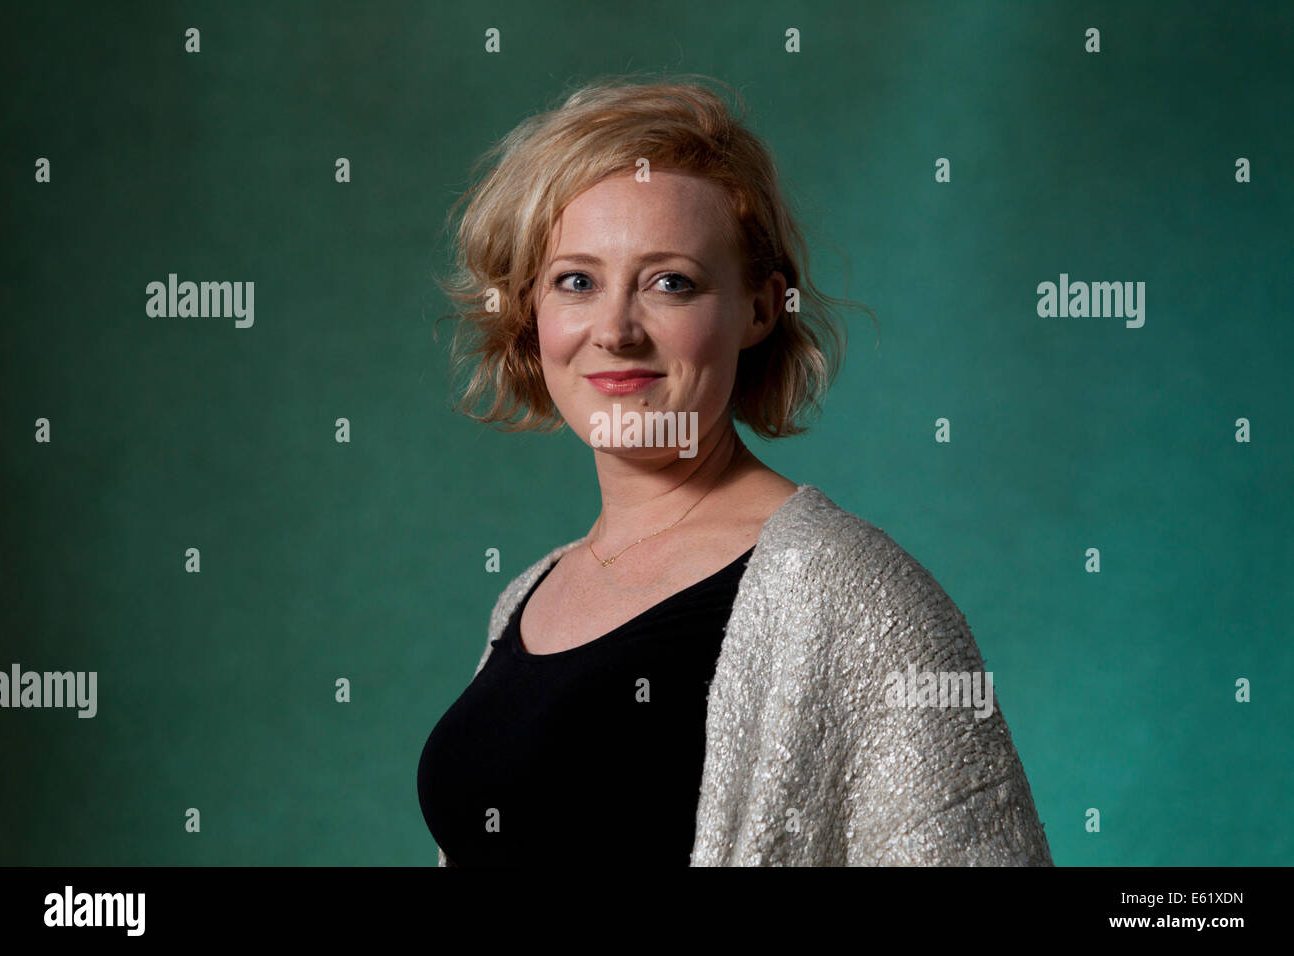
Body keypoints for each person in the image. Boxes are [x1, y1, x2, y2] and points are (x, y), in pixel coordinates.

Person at [418, 73, 1053, 866]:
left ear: (759, 308)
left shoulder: (849, 594)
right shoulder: (526, 597)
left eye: (669, 283)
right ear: (530, 313)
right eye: (575, 281)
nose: (614, 330)